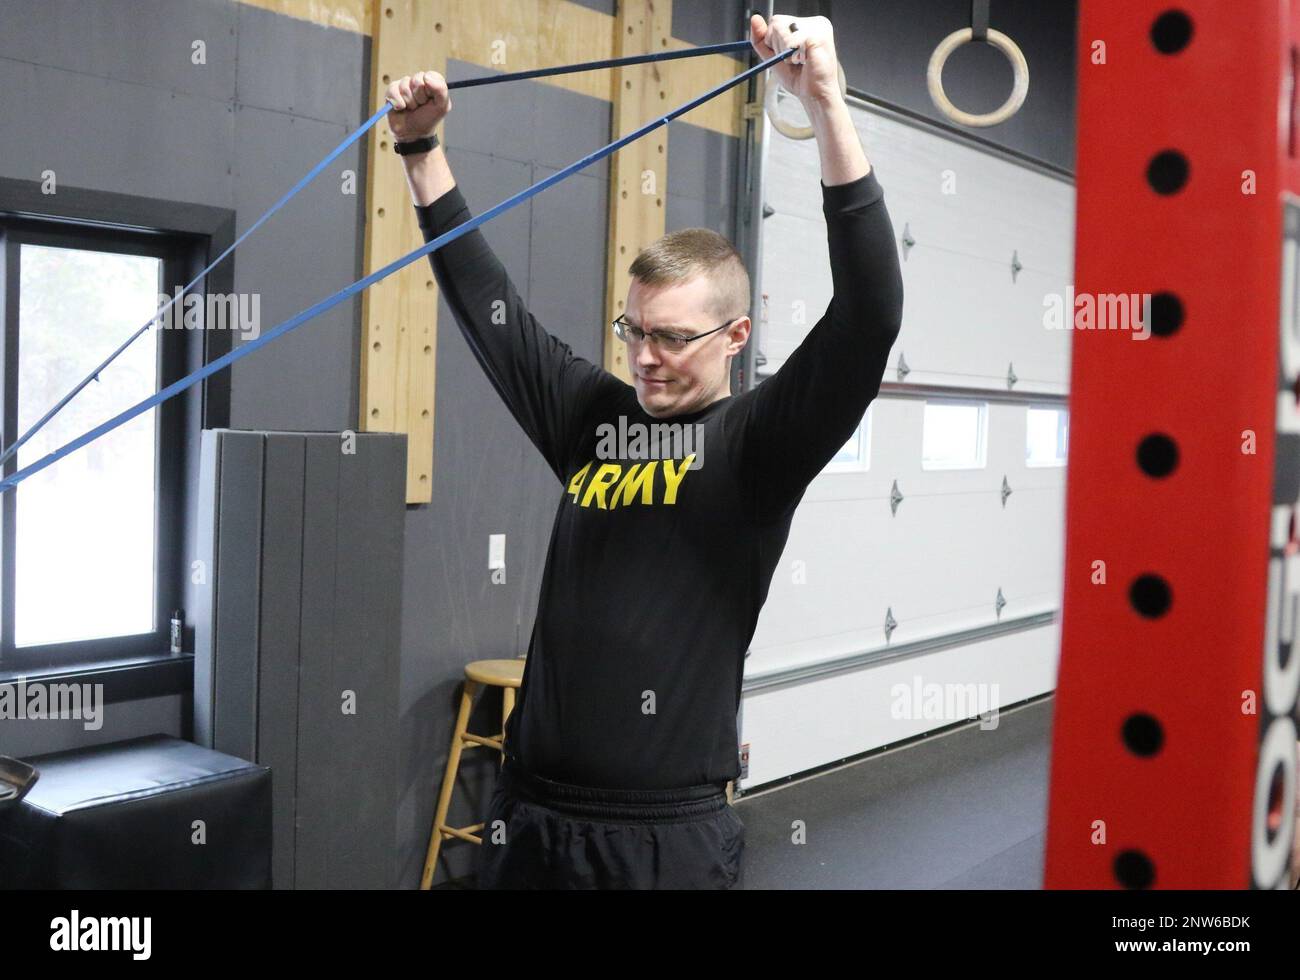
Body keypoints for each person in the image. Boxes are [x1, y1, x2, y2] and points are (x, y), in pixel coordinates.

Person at [389, 12, 903, 888]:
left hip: (664, 838)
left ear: (736, 335)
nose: (644, 356)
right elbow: (489, 308)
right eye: (633, 330)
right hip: (532, 815)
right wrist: (421, 150)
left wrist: (826, 105)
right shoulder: (593, 418)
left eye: (670, 338)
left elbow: (868, 317)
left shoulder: (757, 446)